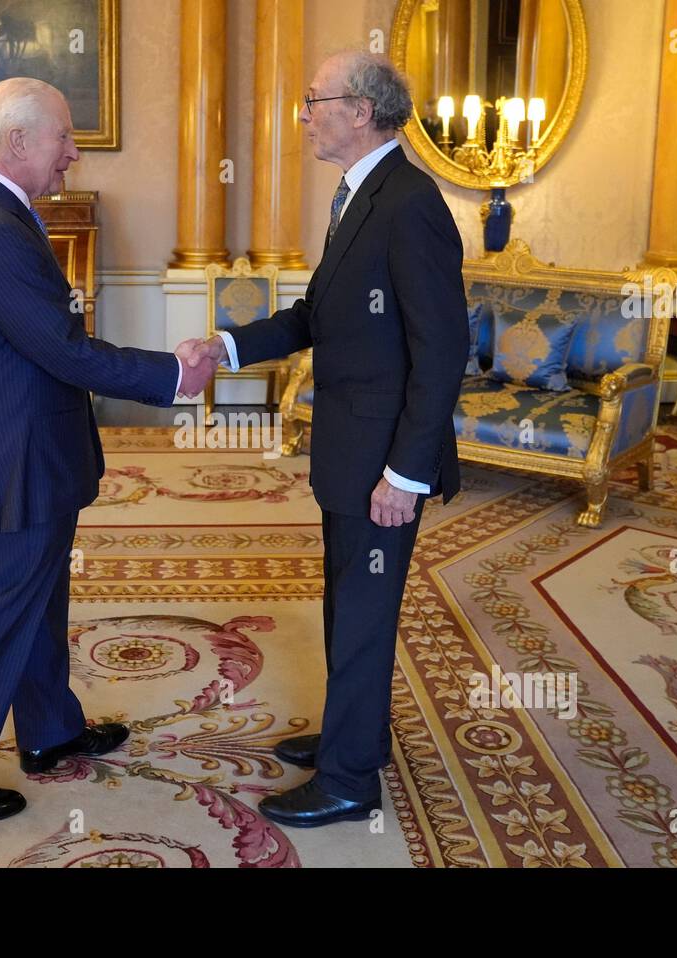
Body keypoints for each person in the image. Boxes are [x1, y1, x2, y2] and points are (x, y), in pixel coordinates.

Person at [0, 77, 214, 825]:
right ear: (17, 142)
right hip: (17, 460)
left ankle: (49, 732)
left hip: (19, 451)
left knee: (39, 605)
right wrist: (172, 373)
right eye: (63, 140)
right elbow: (64, 349)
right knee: (2, 612)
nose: (74, 154)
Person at [185, 51, 469, 828]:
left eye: (316, 100)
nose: (306, 112)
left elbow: (443, 350)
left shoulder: (409, 203)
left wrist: (406, 475)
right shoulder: (359, 195)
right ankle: (358, 736)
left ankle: (348, 781)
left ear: (363, 110)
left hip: (384, 460)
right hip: (350, 451)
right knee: (347, 602)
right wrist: (227, 348)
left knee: (368, 613)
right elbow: (316, 316)